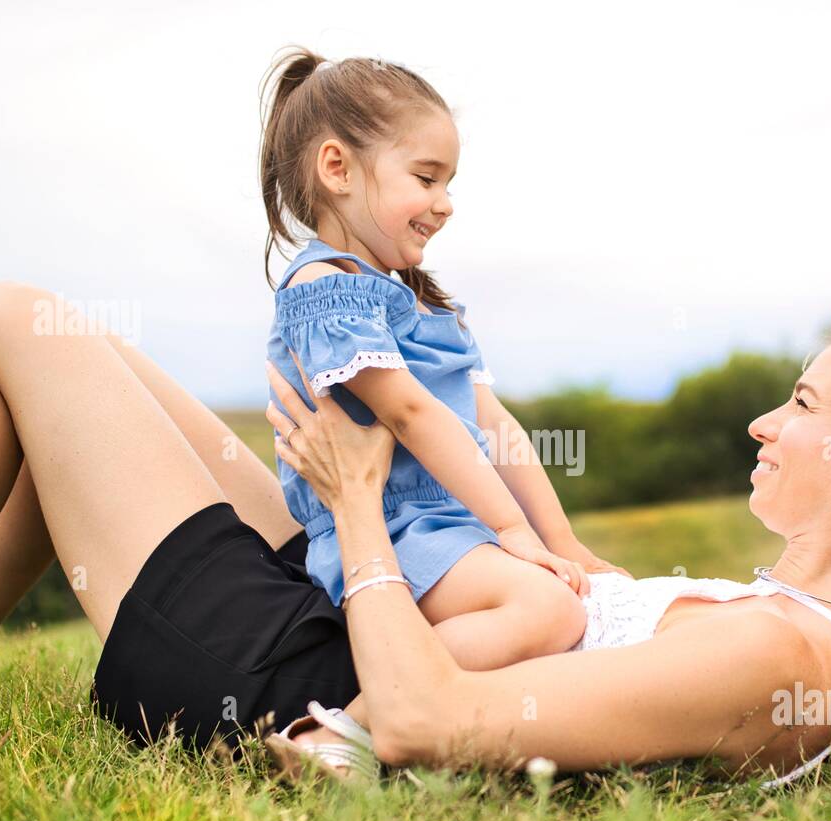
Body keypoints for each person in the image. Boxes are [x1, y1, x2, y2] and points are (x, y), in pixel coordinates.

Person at [262, 320, 831, 785]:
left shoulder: (782, 654)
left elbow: (418, 718)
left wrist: (357, 503)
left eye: (800, 403)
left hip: (316, 678)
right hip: (365, 611)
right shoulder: (778, 621)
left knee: (124, 380)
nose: (762, 424)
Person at [259, 48, 627, 691]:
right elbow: (409, 412)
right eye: (427, 179)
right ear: (338, 168)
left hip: (455, 524)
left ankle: (435, 688)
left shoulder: (423, 301)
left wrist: (563, 542)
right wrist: (513, 529)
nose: (446, 202)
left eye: (449, 183)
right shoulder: (322, 291)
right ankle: (360, 703)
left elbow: (493, 422)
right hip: (394, 531)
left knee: (575, 601)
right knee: (547, 609)